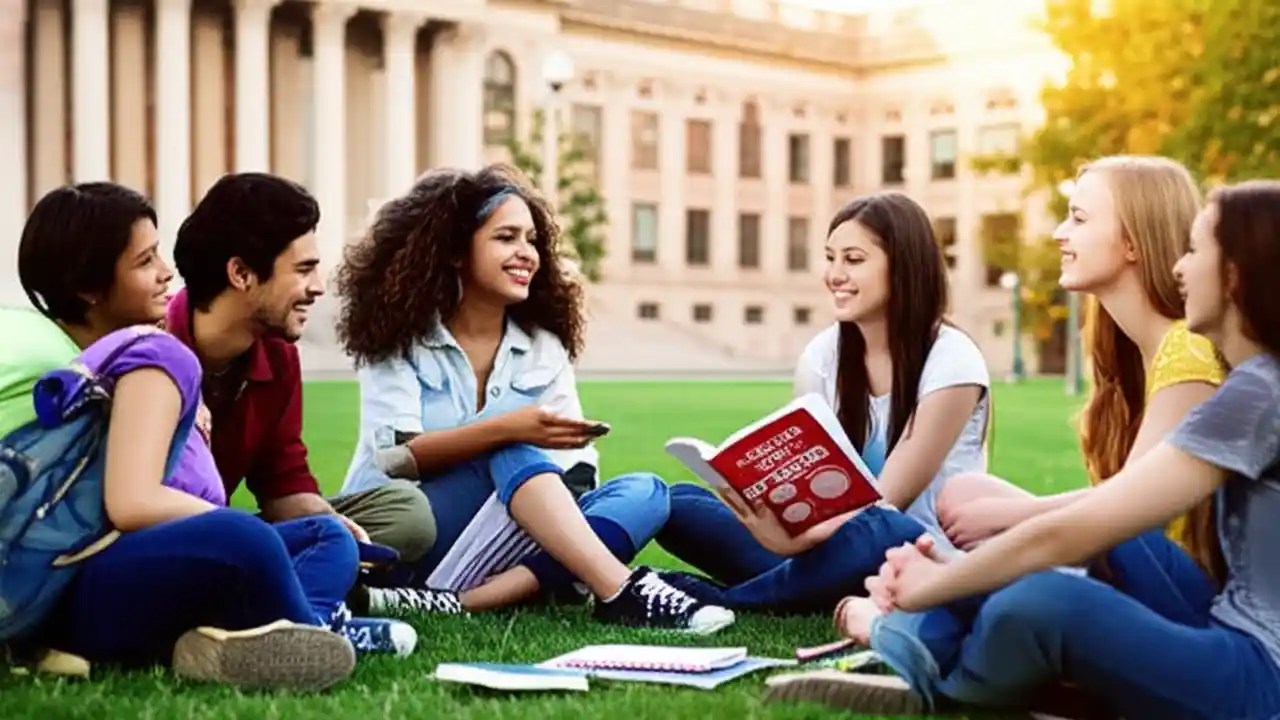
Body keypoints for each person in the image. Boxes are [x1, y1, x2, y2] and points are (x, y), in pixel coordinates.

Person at [765, 181, 1280, 720]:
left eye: (1195, 251)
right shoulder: (1256, 381)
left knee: (1047, 601)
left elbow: (1071, 530)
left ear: (1235, 274)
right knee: (1124, 543)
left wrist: (941, 579)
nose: (1177, 267)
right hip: (1221, 622)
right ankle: (1039, 678)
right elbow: (1105, 517)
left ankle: (948, 682)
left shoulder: (1261, 392)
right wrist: (956, 565)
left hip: (1260, 677)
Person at [9, 183, 407, 691]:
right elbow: (131, 503)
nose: (166, 274)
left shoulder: (128, 356)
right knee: (242, 537)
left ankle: (234, 638)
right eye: (145, 260)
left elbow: (284, 474)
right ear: (91, 286)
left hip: (133, 562)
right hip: (82, 576)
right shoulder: (151, 354)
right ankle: (315, 630)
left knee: (324, 536)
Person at [332, 164, 734, 634]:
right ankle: (615, 587)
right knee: (513, 449)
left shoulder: (542, 345)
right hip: (413, 538)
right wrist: (508, 430)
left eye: (532, 240)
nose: (527, 253)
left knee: (646, 492)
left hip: (516, 530)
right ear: (457, 251)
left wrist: (557, 498)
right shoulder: (397, 341)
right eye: (506, 238)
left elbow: (580, 467)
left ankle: (461, 603)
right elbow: (395, 461)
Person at [653, 191, 987, 612]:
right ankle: (797, 583)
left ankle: (734, 601)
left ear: (903, 265)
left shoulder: (952, 360)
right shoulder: (823, 356)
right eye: (830, 258)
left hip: (907, 550)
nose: (834, 275)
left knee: (882, 526)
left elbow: (888, 502)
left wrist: (799, 539)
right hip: (818, 547)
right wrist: (771, 515)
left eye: (853, 259)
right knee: (675, 502)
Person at [933, 156, 1224, 582]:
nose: (1059, 234)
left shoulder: (1189, 351)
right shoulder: (1129, 353)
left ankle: (950, 591)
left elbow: (1132, 511)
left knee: (993, 535)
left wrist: (1017, 517)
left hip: (1183, 585)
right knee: (964, 492)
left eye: (1078, 219)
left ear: (1133, 243)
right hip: (1134, 556)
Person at [164, 173, 433, 566]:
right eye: (303, 269)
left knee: (406, 515)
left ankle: (305, 566)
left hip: (231, 534)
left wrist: (330, 524)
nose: (319, 287)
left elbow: (283, 482)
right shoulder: (151, 352)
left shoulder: (277, 355)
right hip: (160, 539)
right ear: (241, 274)